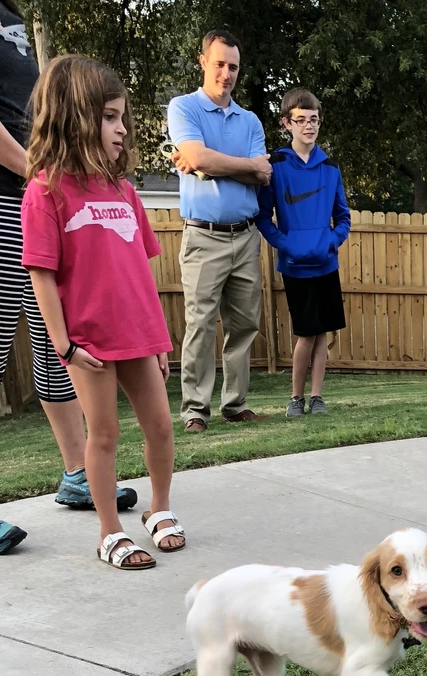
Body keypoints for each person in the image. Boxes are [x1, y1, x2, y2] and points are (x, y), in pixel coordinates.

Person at [22, 55, 183, 570]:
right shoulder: (45, 192)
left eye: (122, 117)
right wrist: (64, 343)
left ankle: (159, 509)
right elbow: (41, 274)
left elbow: (143, 271)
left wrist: (160, 339)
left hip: (139, 335)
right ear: (75, 116)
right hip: (88, 345)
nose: (122, 129)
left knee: (161, 426)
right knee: (105, 436)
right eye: (110, 117)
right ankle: (109, 532)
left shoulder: (125, 191)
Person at [0, 0, 134, 556]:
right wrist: (41, 170)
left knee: (63, 344)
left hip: (37, 193)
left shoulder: (9, 12)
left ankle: (77, 472)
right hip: (3, 199)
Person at [166, 30, 271, 432]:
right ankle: (195, 409)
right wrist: (224, 163)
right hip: (202, 235)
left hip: (246, 236)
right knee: (200, 324)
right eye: (219, 64)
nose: (226, 73)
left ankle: (235, 403)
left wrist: (211, 162)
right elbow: (197, 157)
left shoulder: (250, 120)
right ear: (202, 62)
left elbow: (262, 174)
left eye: (233, 67)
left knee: (244, 323)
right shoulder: (183, 108)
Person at [256, 87, 350, 418]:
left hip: (326, 263)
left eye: (314, 120)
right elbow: (263, 218)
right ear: (287, 124)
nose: (308, 126)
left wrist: (330, 241)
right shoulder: (277, 165)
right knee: (305, 333)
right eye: (301, 120)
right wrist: (287, 244)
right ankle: (295, 398)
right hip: (295, 266)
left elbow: (343, 218)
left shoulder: (330, 168)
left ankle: (317, 397)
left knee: (323, 332)